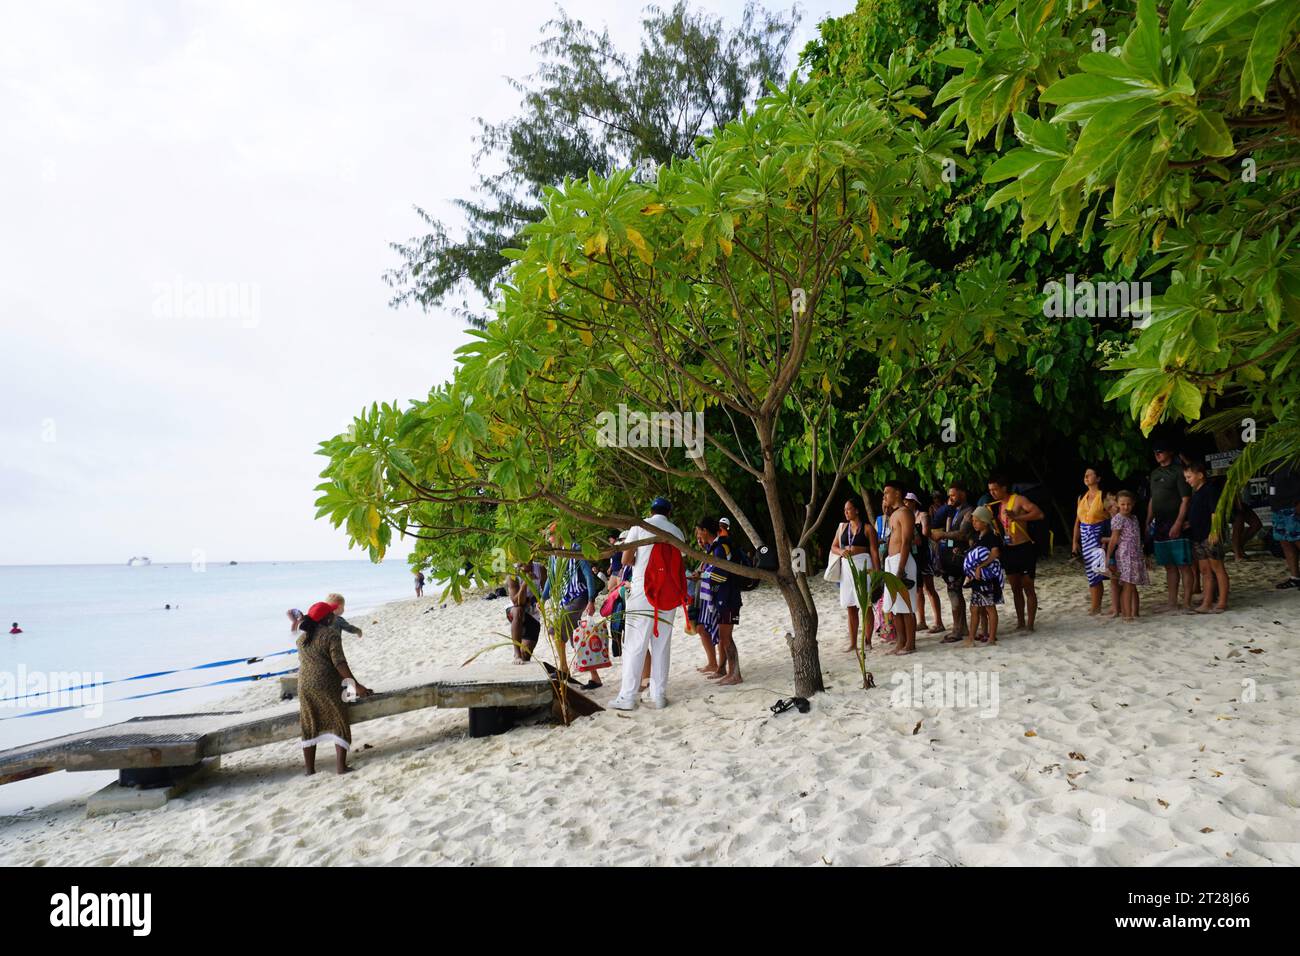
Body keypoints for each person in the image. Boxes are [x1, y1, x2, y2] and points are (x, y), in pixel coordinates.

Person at [609, 497, 685, 710]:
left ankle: (628, 697)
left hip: (643, 590)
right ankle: (658, 695)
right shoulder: (677, 531)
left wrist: (638, 560)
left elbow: (625, 560)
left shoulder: (640, 525)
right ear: (669, 512)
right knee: (662, 645)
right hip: (669, 594)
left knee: (635, 643)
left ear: (651, 510)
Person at [296, 599, 372, 775]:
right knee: (339, 718)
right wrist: (357, 686)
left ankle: (309, 770)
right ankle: (341, 767)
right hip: (326, 683)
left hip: (304, 685)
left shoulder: (301, 640)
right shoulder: (331, 635)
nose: (333, 615)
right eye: (331, 614)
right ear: (328, 618)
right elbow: (339, 663)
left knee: (309, 723)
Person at [987, 474, 1044, 632]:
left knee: (1028, 586)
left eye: (995, 489)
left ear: (1004, 488)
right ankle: (1020, 622)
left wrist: (1018, 517)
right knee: (1015, 588)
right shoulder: (996, 505)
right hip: (1008, 549)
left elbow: (1039, 514)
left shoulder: (1018, 500)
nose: (992, 493)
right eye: (990, 490)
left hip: (1024, 547)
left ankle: (1030, 624)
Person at [695, 516, 743, 685]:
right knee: (724, 637)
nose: (698, 535)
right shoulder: (715, 547)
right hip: (724, 597)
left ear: (705, 531)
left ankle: (735, 674)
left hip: (728, 598)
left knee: (726, 637)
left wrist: (702, 575)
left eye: (699, 531)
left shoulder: (721, 547)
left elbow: (720, 575)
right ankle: (723, 669)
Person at [829, 497, 879, 653]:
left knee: (866, 605)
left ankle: (868, 640)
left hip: (863, 566)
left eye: (849, 509)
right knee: (850, 606)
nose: (846, 512)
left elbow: (874, 551)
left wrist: (877, 572)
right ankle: (852, 643)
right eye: (845, 509)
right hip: (847, 568)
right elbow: (834, 547)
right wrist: (841, 551)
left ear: (857, 510)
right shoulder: (842, 527)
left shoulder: (867, 528)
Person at [1148, 444, 1194, 610]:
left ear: (1170, 452)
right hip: (1159, 522)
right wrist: (1148, 521)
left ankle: (1187, 601)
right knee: (1169, 565)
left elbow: (1186, 499)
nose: (1157, 454)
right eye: (1155, 451)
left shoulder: (1178, 471)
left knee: (1183, 564)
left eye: (1160, 450)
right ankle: (1172, 601)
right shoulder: (1154, 473)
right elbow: (1153, 499)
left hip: (1176, 520)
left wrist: (1179, 522)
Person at [541, 524, 598, 652]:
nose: (549, 540)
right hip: (565, 598)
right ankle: (584, 666)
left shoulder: (575, 550)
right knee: (574, 636)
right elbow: (551, 578)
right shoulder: (554, 555)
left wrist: (591, 600)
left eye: (551, 536)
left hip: (580, 595)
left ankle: (563, 668)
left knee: (555, 630)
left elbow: (589, 575)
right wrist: (543, 599)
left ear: (559, 535)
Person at [931, 483, 973, 644]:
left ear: (963, 493)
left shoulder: (968, 511)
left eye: (953, 495)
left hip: (960, 557)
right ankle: (961, 627)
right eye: (949, 495)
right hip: (953, 557)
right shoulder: (955, 511)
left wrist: (942, 534)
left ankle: (957, 629)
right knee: (954, 592)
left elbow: (963, 534)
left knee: (954, 591)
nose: (950, 498)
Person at [1184, 460, 1229, 613]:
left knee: (1218, 568)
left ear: (1200, 475)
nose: (1187, 480)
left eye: (1189, 477)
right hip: (1197, 535)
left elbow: (1215, 512)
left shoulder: (1210, 490)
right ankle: (1207, 601)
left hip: (1209, 536)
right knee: (1205, 570)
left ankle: (1222, 601)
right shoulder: (1196, 493)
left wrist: (1215, 531)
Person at [881, 482, 919, 655]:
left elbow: (906, 542)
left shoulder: (905, 513)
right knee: (895, 605)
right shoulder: (893, 514)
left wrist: (901, 567)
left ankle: (910, 644)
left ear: (897, 493)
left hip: (902, 562)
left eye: (887, 493)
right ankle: (900, 642)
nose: (885, 497)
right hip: (891, 561)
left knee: (906, 604)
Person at [962, 506, 1004, 646]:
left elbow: (995, 553)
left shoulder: (992, 536)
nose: (974, 523)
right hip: (978, 579)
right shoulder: (978, 537)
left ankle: (992, 638)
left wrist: (981, 566)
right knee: (975, 608)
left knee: (989, 607)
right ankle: (972, 638)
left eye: (977, 521)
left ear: (985, 522)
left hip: (988, 578)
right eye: (973, 521)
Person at [1106, 490, 1148, 622]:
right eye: (1123, 504)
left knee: (1133, 584)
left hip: (1136, 554)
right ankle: (1127, 614)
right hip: (1125, 555)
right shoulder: (1118, 519)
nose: (1126, 507)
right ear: (1118, 504)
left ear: (1133, 504)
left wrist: (1143, 555)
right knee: (1127, 584)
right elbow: (1114, 539)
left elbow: (1138, 538)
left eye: (1128, 504)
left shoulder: (1134, 518)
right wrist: (1108, 556)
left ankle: (1135, 612)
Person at [906, 492, 944, 634]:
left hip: (924, 555)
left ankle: (938, 622)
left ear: (914, 502)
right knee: (918, 590)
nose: (906, 504)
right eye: (905, 501)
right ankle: (921, 621)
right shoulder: (906, 517)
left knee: (930, 588)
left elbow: (925, 532)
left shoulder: (922, 515)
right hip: (914, 556)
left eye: (909, 501)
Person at [1073, 466, 1109, 615]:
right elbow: (1077, 521)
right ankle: (1096, 606)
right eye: (1085, 474)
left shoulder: (1104, 496)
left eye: (1090, 474)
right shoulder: (1081, 497)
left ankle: (1097, 606)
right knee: (1091, 572)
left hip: (1099, 537)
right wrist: (1075, 542)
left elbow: (1112, 517)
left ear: (1098, 478)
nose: (1086, 476)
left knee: (1099, 572)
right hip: (1086, 537)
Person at [506, 561, 545, 662]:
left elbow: (546, 592)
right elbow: (516, 602)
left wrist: (535, 600)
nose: (526, 563)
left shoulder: (540, 569)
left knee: (526, 656)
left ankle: (521, 657)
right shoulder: (512, 573)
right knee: (519, 610)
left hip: (533, 612)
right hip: (514, 611)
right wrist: (525, 583)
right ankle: (516, 653)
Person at [1269, 463, 1300, 589]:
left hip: (1293, 506)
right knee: (1285, 542)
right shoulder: (1271, 462)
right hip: (1278, 507)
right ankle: (1295, 577)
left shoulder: (1293, 459)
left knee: (1297, 539)